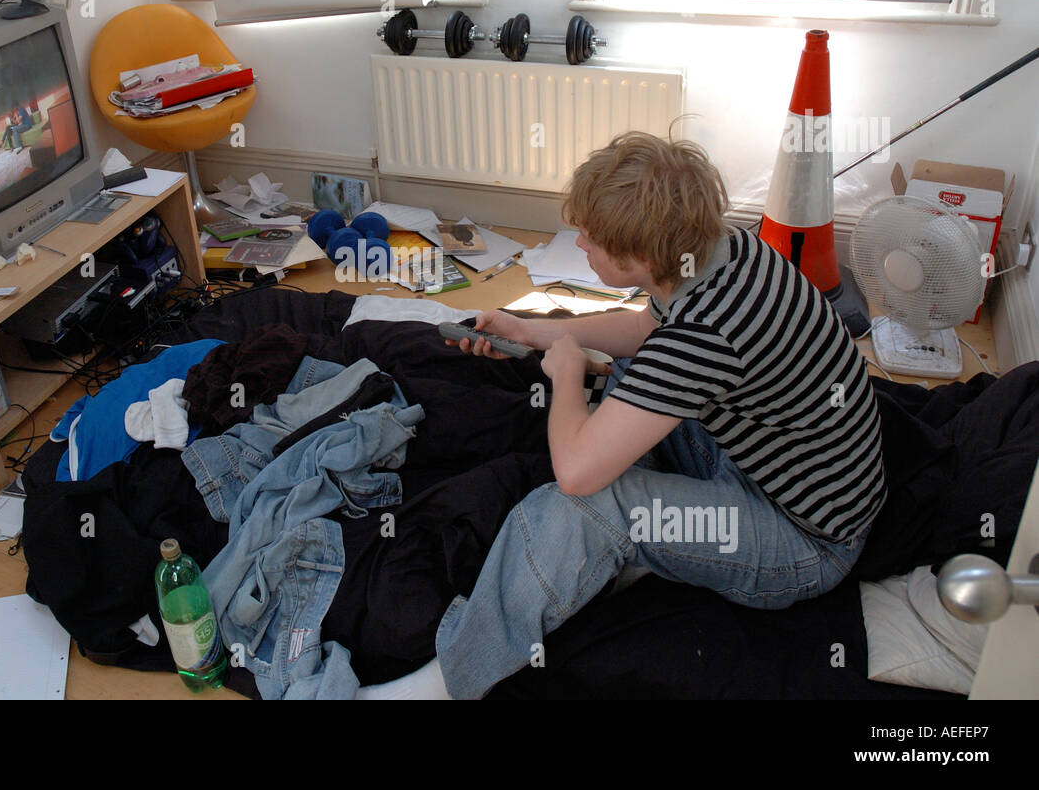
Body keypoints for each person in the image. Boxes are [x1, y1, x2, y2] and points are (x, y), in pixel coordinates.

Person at [357, 131, 886, 699]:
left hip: (803, 540)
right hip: (777, 463)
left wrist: (565, 377)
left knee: (584, 506)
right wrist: (536, 331)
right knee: (632, 369)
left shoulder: (704, 337)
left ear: (639, 255)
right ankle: (632, 545)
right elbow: (644, 331)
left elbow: (577, 475)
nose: (579, 241)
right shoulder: (724, 251)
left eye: (591, 237)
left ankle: (446, 680)